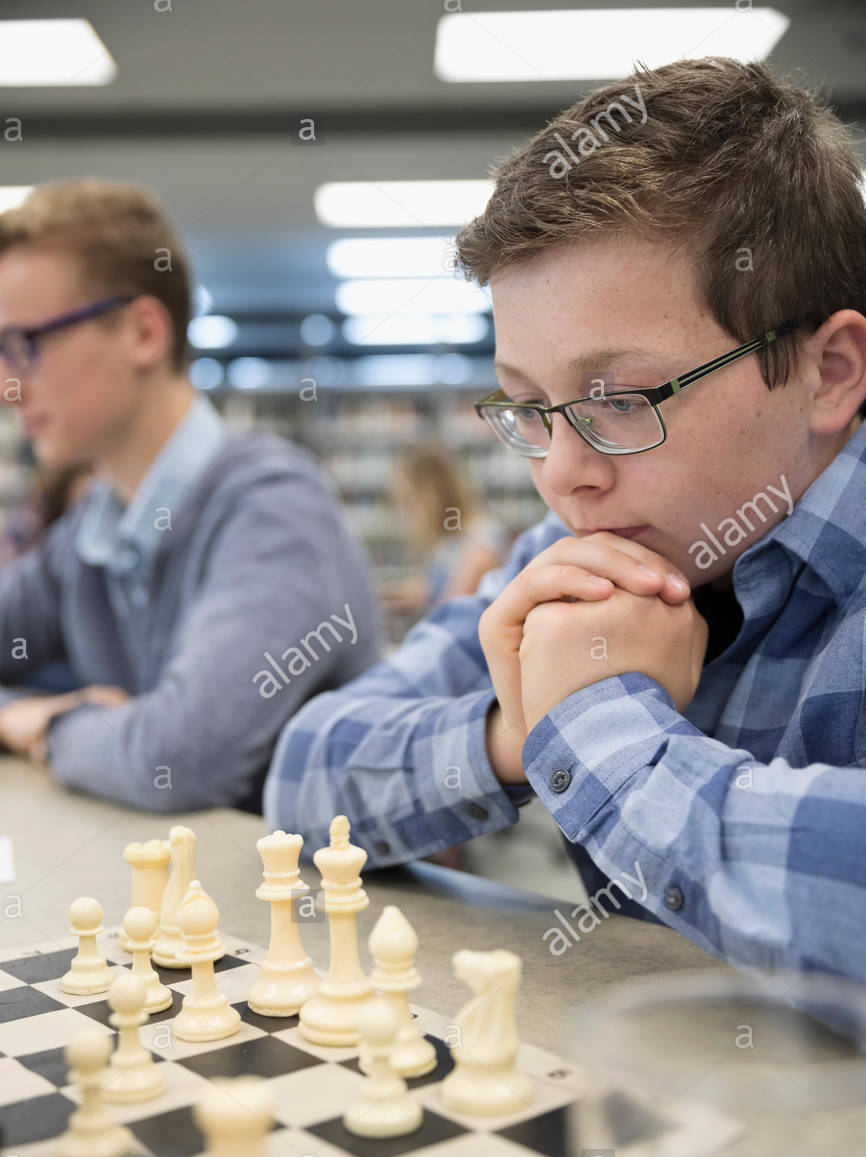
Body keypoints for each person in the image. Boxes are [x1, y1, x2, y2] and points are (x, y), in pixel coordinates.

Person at [265, 58, 866, 980]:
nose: (563, 474)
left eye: (622, 399)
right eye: (529, 406)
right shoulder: (584, 551)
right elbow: (303, 774)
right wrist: (513, 734)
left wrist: (587, 720)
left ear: (829, 372)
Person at [0, 179, 381, 811]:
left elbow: (177, 762)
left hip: (327, 901)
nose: (8, 388)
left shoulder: (276, 509)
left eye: (23, 347)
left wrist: (47, 727)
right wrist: (20, 714)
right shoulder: (92, 529)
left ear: (143, 332)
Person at [382, 445, 513, 618]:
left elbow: (452, 610)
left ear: (430, 497)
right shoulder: (451, 539)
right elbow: (434, 586)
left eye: (409, 504)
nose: (407, 516)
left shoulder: (481, 538)